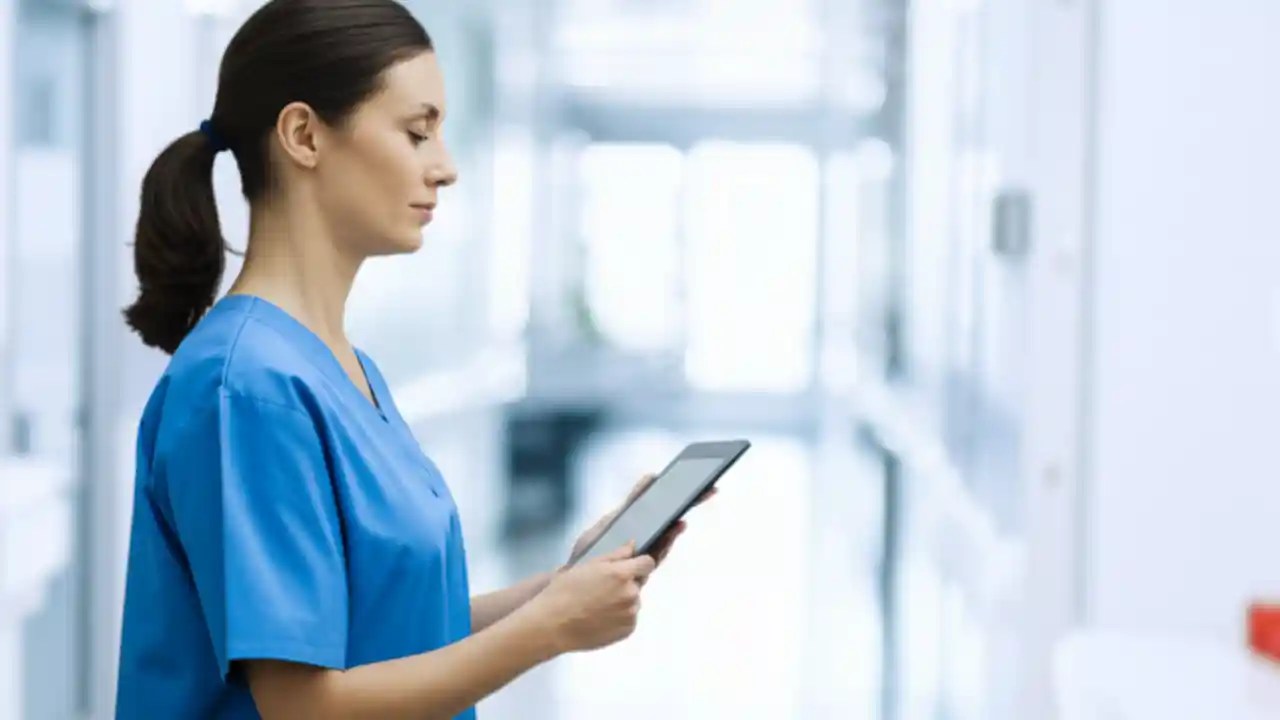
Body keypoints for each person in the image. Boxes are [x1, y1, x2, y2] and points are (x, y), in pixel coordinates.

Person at [113, 1, 710, 717]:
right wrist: (550, 630)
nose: (446, 167)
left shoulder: (346, 371)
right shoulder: (244, 387)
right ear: (304, 135)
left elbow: (396, 631)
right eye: (416, 131)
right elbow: (305, 706)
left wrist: (562, 587)